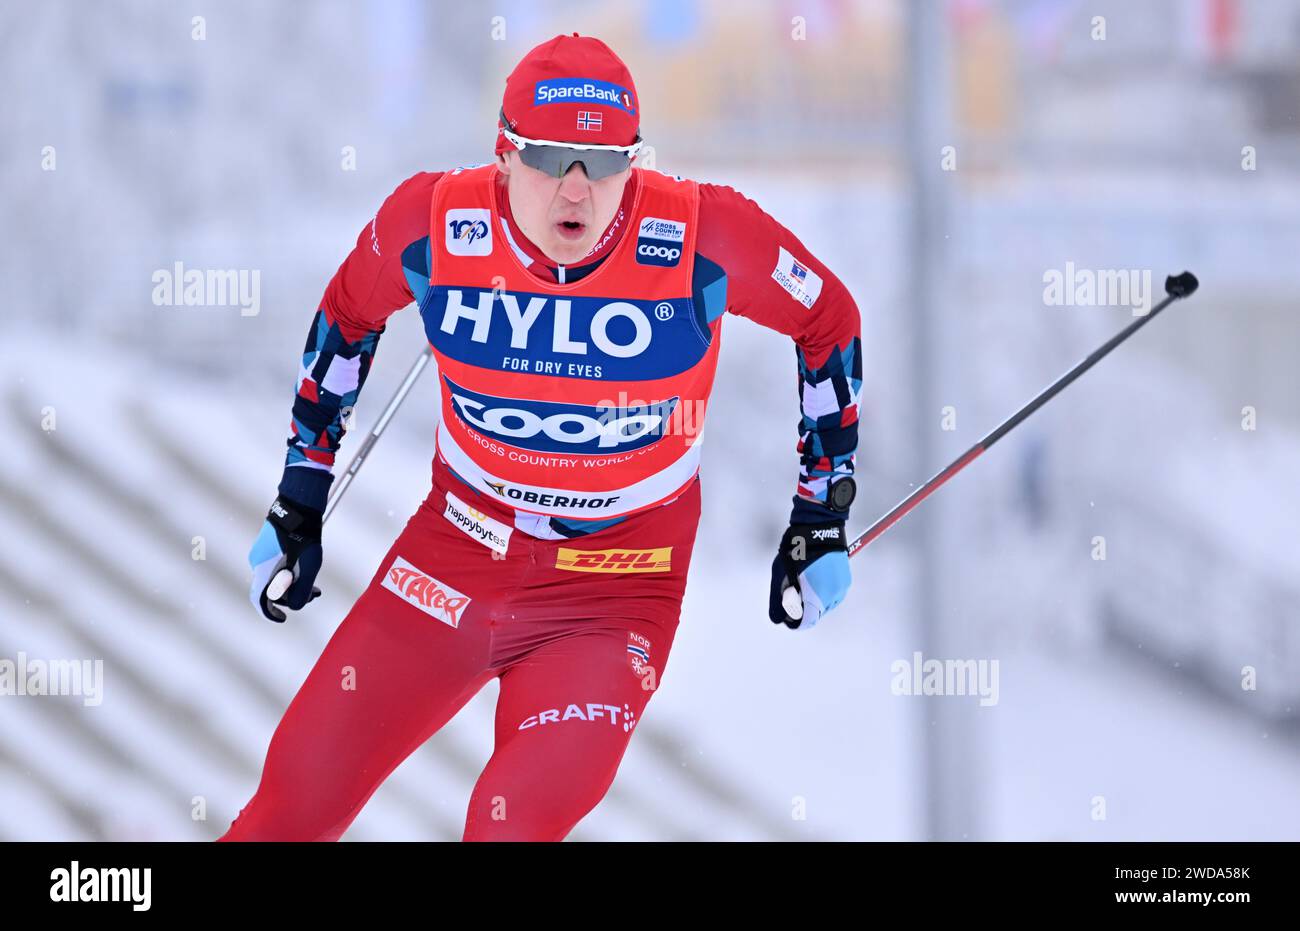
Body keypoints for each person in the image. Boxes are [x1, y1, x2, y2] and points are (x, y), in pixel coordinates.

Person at [220, 33, 862, 842]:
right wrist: (299, 499)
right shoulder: (433, 224)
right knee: (288, 808)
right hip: (454, 553)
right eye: (551, 155)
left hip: (615, 586)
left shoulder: (702, 237)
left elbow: (828, 320)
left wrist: (818, 516)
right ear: (502, 155)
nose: (577, 186)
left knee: (509, 825)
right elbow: (346, 321)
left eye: (605, 160)